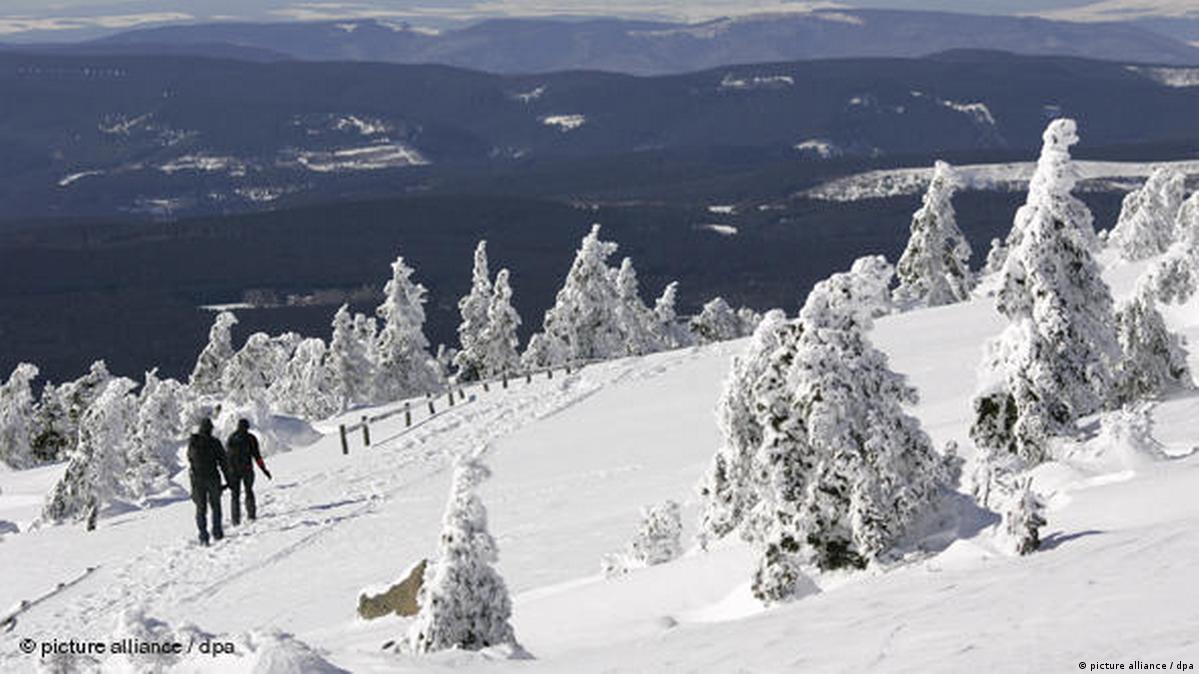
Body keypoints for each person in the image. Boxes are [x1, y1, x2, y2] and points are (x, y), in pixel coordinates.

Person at [188, 418, 230, 546]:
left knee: (201, 509)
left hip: (197, 480)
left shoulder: (193, 442)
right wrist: (229, 480)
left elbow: (190, 459)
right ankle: (217, 532)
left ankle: (203, 536)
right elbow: (224, 463)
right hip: (213, 478)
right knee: (215, 506)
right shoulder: (215, 443)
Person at [226, 418, 272, 526]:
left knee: (235, 495)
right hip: (247, 470)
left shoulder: (232, 437)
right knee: (249, 491)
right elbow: (257, 456)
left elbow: (227, 456)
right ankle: (251, 515)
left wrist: (228, 473)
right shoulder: (251, 438)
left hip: (234, 472)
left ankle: (235, 520)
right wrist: (264, 470)